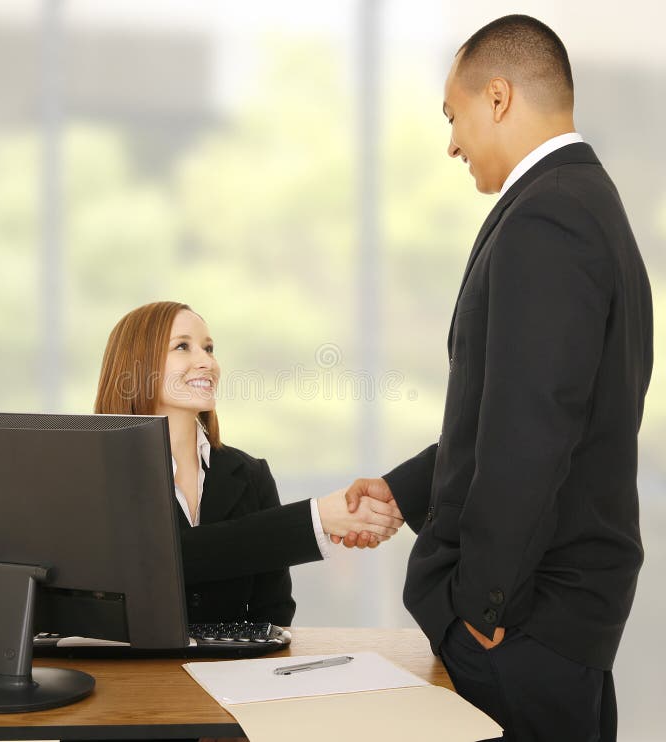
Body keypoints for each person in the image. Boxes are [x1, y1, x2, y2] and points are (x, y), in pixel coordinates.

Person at [338, 14, 653, 742]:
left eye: (454, 115)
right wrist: (407, 488)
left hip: (526, 629)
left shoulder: (548, 219)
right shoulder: (588, 205)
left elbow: (532, 430)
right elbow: (526, 413)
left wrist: (483, 606)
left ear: (500, 98)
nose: (451, 141)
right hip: (551, 628)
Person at [94, 300, 402, 627]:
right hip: (128, 674)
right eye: (183, 346)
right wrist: (317, 517)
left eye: (209, 349)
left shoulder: (251, 475)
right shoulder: (95, 472)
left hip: (232, 674)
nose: (207, 362)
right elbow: (152, 562)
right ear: (137, 363)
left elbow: (274, 613)